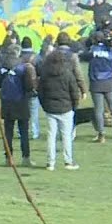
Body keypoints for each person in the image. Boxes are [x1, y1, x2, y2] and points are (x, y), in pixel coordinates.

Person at [37, 41, 82, 170]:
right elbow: (74, 91)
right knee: (66, 136)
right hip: (66, 108)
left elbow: (41, 92)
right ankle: (68, 161)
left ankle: (50, 163)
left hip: (50, 109)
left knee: (51, 136)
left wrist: (44, 105)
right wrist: (75, 105)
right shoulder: (67, 74)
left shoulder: (45, 75)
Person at [0, 51, 37, 166]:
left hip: (6, 102)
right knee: (24, 132)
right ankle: (26, 158)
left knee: (8, 132)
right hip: (21, 102)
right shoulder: (23, 68)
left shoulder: (0, 67)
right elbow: (29, 86)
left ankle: (9, 158)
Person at [86, 31, 112, 144]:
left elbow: (83, 56)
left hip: (96, 82)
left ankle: (101, 135)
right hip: (109, 82)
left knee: (99, 110)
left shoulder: (92, 51)